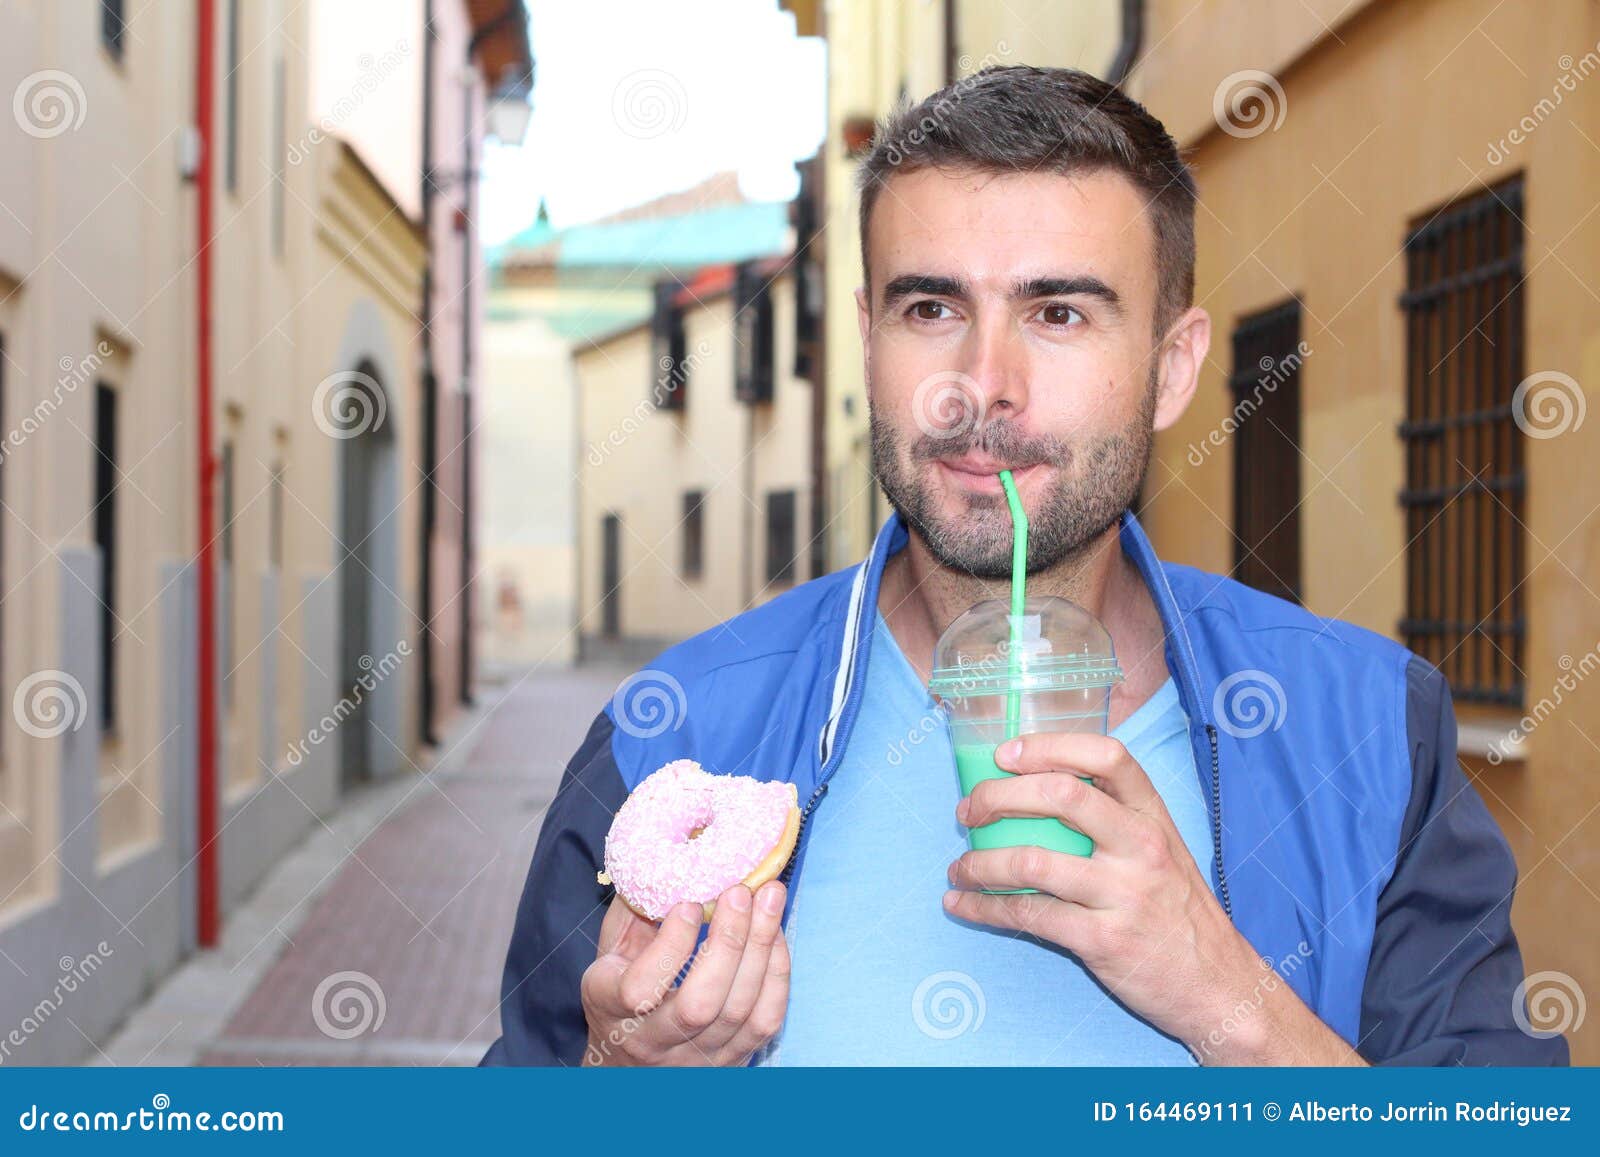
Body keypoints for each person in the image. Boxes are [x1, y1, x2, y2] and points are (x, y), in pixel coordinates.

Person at [481, 66, 1566, 1067]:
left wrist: (1235, 1005)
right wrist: (619, 1082)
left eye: (1057, 312)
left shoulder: (1369, 733)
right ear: (870, 340)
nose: (980, 383)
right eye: (931, 307)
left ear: (1171, 366)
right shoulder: (669, 740)